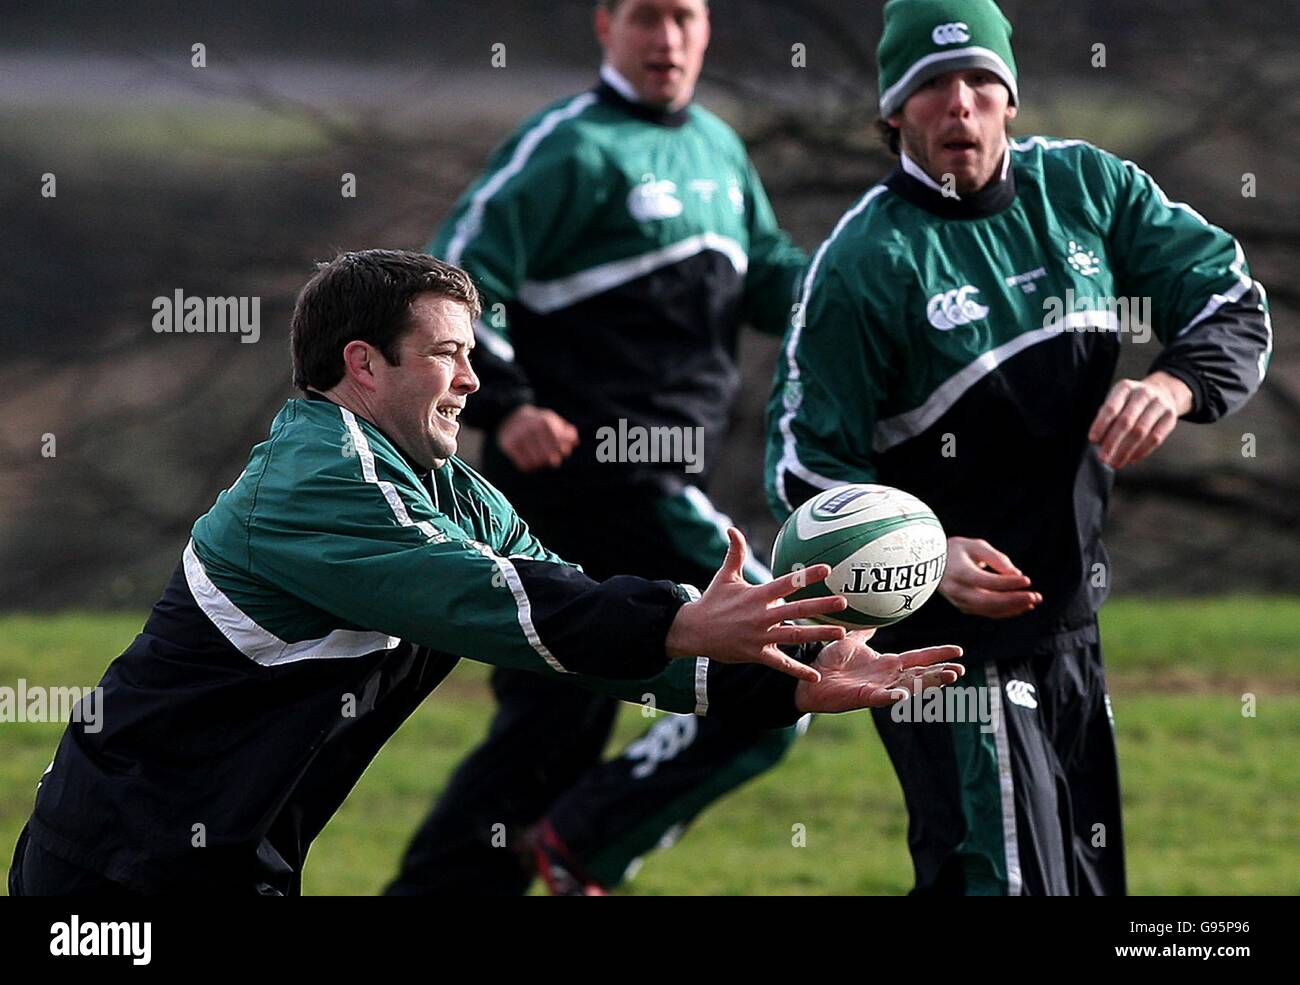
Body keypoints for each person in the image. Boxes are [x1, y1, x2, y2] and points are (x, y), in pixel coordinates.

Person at [6, 250, 964, 896]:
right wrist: (678, 619)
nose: (471, 379)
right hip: (114, 867)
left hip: (232, 854)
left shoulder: (448, 490)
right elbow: (498, 600)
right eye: (448, 354)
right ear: (364, 365)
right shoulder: (313, 482)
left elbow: (571, 623)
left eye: (471, 354)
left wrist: (781, 675)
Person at [765, 0, 1272, 895]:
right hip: (944, 652)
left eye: (978, 81)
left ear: (1010, 97)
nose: (958, 104)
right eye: (931, 85)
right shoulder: (861, 265)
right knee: (997, 881)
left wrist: (1172, 384)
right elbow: (806, 473)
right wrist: (927, 557)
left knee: (1084, 883)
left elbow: (1231, 302)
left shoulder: (1087, 189)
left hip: (1071, 623)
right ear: (894, 112)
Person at [386, 0, 815, 896]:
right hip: (595, 476)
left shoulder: (719, 149)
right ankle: (581, 841)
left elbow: (772, 276)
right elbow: (452, 280)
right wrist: (506, 403)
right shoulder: (565, 147)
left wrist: (859, 284)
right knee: (788, 662)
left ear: (706, 30)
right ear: (605, 25)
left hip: (661, 472)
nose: (667, 38)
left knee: (549, 728)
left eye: (685, 17)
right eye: (646, 16)